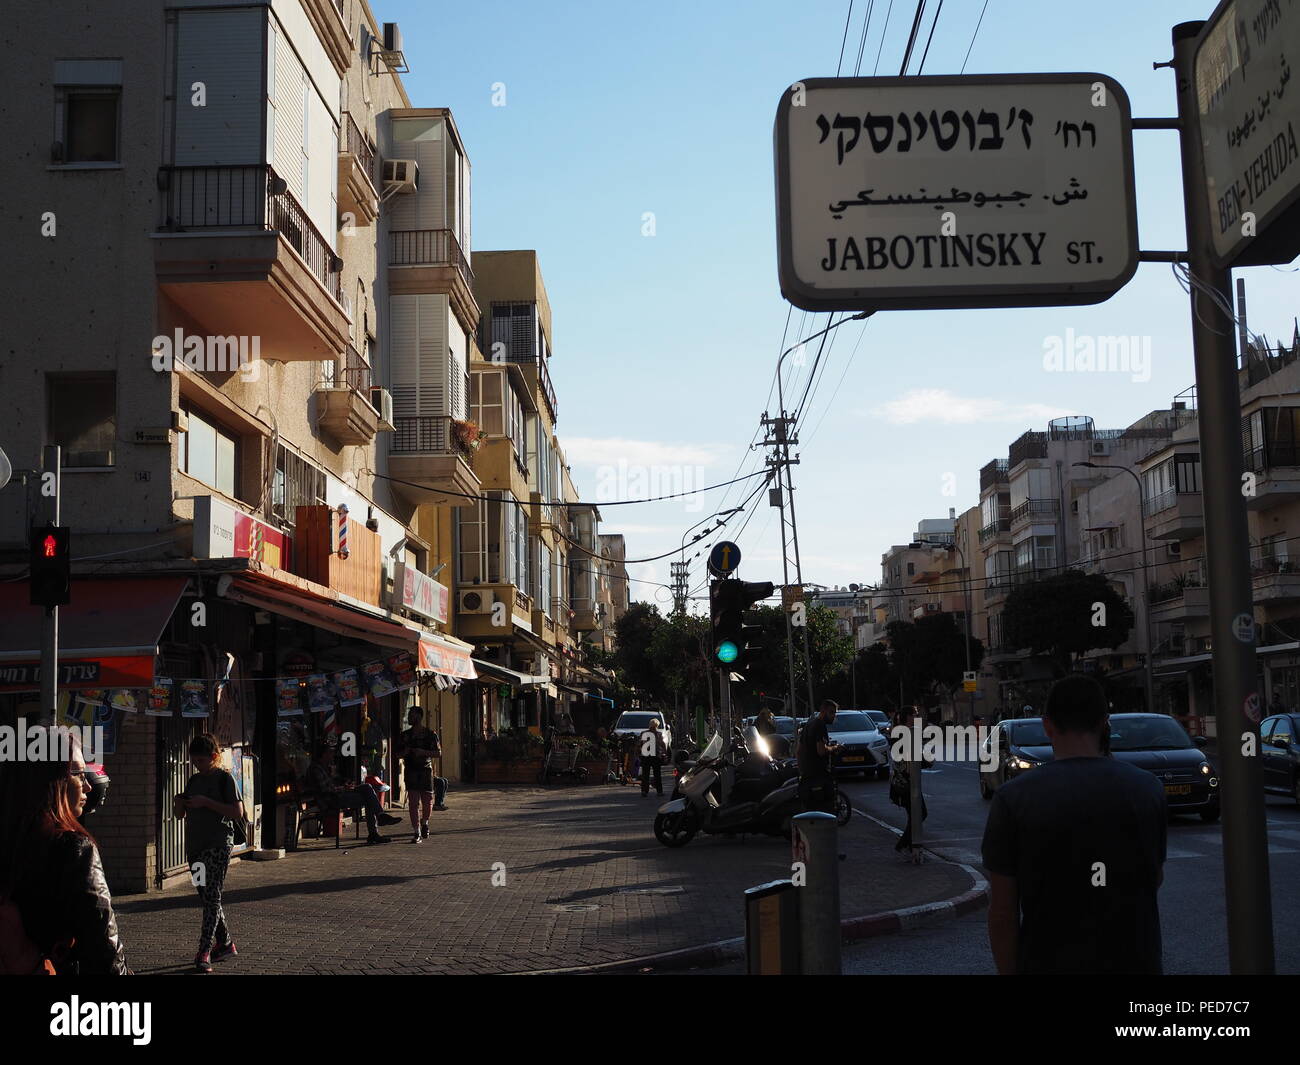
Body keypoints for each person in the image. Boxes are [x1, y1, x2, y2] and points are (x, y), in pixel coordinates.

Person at [981, 674, 1167, 975]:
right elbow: (1154, 877)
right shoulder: (1147, 789)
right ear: (1104, 724)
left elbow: (1003, 912)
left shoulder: (1012, 799)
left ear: (1047, 725)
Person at [0, 726, 129, 974]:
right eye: (79, 774)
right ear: (52, 778)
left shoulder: (10, 843)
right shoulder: (74, 849)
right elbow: (104, 949)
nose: (88, 787)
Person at [175, 734, 243, 972]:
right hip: (195, 846)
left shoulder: (224, 779)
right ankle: (225, 943)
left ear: (214, 757)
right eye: (194, 761)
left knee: (212, 896)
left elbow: (238, 812)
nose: (197, 766)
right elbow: (179, 816)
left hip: (218, 844)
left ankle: (204, 950)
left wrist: (207, 802)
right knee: (207, 896)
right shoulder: (193, 781)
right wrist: (180, 802)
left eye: (202, 761)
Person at [305, 744, 402, 845]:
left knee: (367, 787)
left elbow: (333, 783)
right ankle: (376, 827)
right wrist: (343, 788)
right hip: (331, 800)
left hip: (337, 795)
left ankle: (379, 818)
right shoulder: (316, 769)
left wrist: (344, 784)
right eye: (330, 753)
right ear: (323, 755)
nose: (332, 755)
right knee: (368, 799)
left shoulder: (326, 767)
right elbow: (325, 790)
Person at [399, 707, 447, 844]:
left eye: (411, 715)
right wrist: (405, 752)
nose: (408, 717)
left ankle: (425, 822)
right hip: (411, 770)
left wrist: (423, 752)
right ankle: (416, 831)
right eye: (408, 715)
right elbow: (397, 754)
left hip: (426, 770)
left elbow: (438, 753)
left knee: (427, 801)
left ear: (419, 716)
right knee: (413, 803)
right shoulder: (405, 735)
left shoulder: (430, 734)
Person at [797, 700, 839, 813]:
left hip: (807, 776)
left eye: (835, 713)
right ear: (823, 711)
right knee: (824, 812)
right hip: (819, 776)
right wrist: (834, 748)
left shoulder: (809, 724)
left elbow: (799, 751)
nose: (833, 716)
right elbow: (821, 751)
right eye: (831, 712)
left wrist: (802, 771)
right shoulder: (820, 725)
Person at [889, 756, 927, 855]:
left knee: (914, 816)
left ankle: (910, 846)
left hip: (906, 784)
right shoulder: (908, 746)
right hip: (907, 786)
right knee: (920, 814)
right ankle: (904, 845)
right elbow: (918, 763)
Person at [639, 718, 668, 798]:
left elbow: (640, 744)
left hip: (646, 756)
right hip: (656, 756)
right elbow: (662, 745)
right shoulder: (659, 734)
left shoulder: (643, 733)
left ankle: (644, 791)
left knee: (645, 774)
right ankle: (659, 791)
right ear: (657, 725)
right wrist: (664, 753)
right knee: (657, 774)